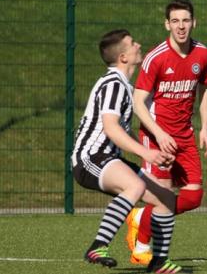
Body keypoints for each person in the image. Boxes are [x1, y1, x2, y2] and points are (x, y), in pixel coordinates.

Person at [72, 29, 182, 273]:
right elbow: (111, 129)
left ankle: (159, 262)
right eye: (132, 43)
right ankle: (98, 246)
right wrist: (147, 155)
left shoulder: (123, 85)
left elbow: (121, 129)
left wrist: (150, 151)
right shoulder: (113, 84)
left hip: (109, 158)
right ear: (123, 57)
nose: (138, 45)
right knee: (135, 186)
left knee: (165, 197)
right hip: (90, 158)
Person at [124, 0, 207, 266]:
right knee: (162, 196)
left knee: (194, 196)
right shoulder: (156, 57)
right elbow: (138, 102)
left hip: (184, 135)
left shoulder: (203, 54)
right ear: (167, 24)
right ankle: (142, 246)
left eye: (186, 20)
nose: (181, 26)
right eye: (175, 21)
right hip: (156, 137)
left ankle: (141, 218)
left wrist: (205, 126)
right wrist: (159, 134)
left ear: (194, 22)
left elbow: (204, 89)